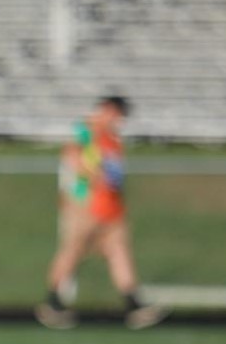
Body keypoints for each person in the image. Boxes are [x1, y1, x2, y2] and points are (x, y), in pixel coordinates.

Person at [34, 96, 167, 330]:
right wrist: (87, 185)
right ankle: (52, 303)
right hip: (88, 204)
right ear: (107, 110)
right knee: (73, 250)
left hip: (111, 207)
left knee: (119, 252)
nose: (119, 120)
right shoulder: (87, 131)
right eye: (117, 114)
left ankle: (133, 304)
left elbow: (114, 173)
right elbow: (73, 159)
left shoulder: (110, 138)